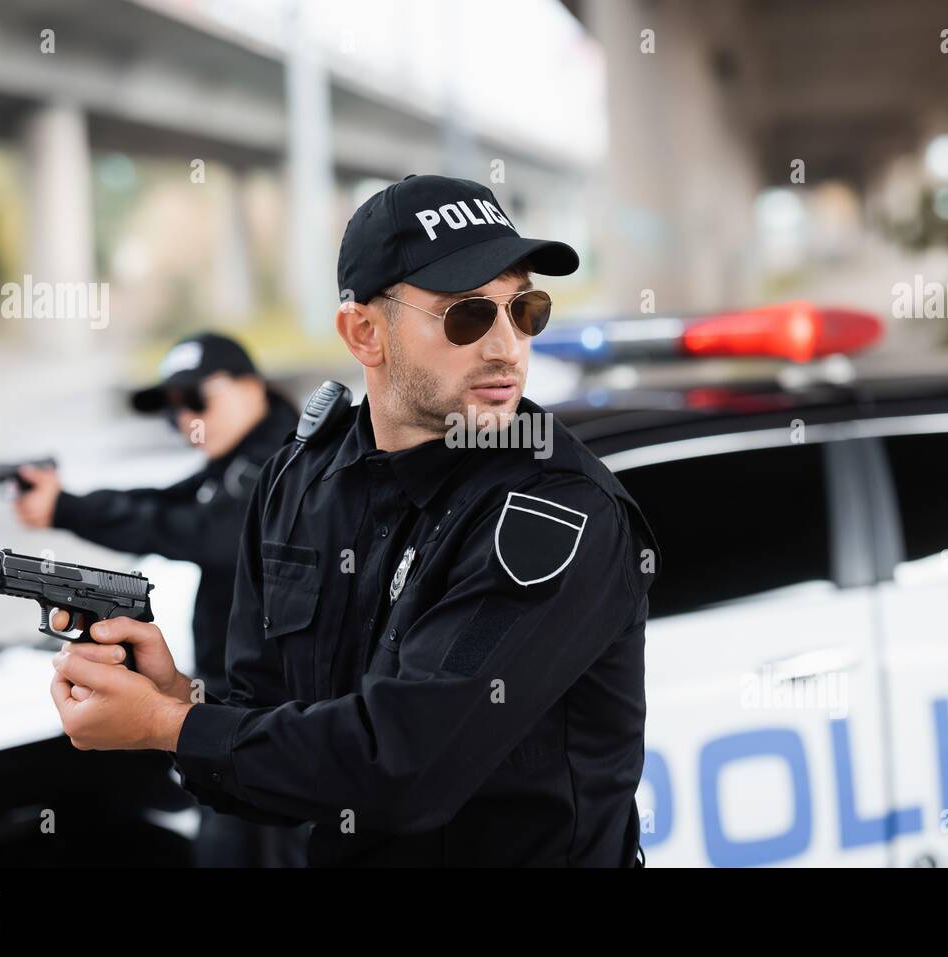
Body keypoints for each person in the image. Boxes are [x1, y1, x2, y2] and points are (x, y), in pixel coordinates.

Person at [47, 174, 658, 867]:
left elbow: (406, 764)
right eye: (467, 315)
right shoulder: (299, 481)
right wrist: (180, 699)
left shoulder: (559, 513)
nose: (506, 346)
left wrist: (174, 725)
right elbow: (271, 731)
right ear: (363, 331)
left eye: (525, 309)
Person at [15, 331, 300, 866]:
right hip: (234, 713)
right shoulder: (239, 460)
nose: (183, 421)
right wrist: (65, 503)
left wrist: (66, 511)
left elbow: (199, 531)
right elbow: (161, 500)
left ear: (250, 386)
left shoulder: (289, 463)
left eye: (195, 400)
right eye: (171, 410)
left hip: (277, 724)